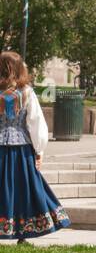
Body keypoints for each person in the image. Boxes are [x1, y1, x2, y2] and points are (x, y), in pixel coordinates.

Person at [0, 52, 68, 241]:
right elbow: (36, 122)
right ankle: (23, 232)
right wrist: (39, 151)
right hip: (21, 149)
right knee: (24, 189)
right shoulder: (26, 92)